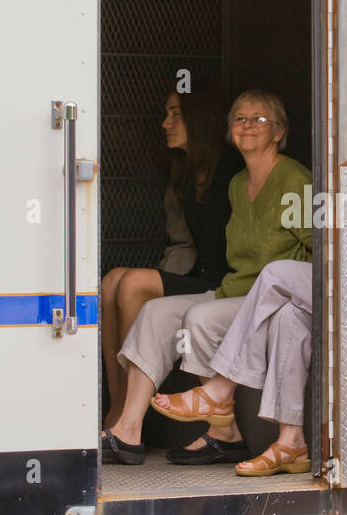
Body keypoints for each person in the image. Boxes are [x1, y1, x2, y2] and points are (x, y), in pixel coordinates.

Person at [101, 90, 312, 465]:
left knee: (198, 317)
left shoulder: (294, 179)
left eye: (259, 120)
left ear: (278, 131)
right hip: (234, 292)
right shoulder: (236, 184)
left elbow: (322, 252)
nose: (247, 126)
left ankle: (221, 422)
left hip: (274, 300)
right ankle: (127, 430)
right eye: (240, 119)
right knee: (156, 313)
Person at [99, 91, 241, 432]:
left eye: (175, 114)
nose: (166, 122)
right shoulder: (189, 170)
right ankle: (117, 406)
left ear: (199, 119)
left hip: (222, 282)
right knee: (112, 280)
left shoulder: (229, 170)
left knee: (133, 283)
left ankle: (132, 417)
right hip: (199, 273)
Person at [150, 259, 313, 473]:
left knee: (276, 272)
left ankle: (219, 392)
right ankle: (292, 441)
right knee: (288, 316)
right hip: (339, 271)